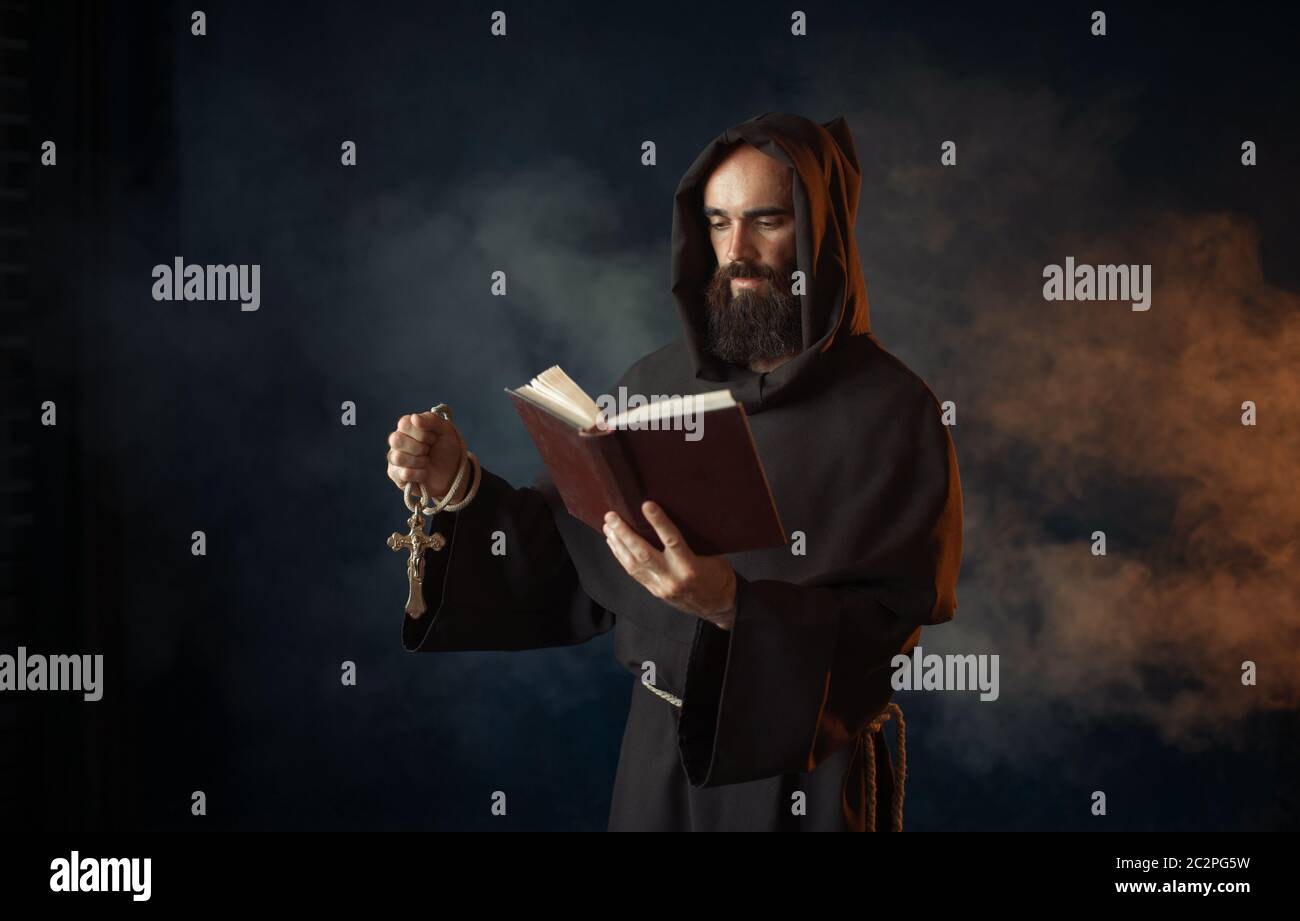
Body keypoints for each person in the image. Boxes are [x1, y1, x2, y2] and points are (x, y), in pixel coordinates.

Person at [384, 112, 963, 831]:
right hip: (658, 763)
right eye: (718, 223)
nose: (738, 251)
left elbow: (888, 632)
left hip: (803, 778)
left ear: (821, 232)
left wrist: (734, 608)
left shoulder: (895, 413)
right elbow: (572, 560)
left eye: (768, 220)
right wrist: (455, 485)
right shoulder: (654, 382)